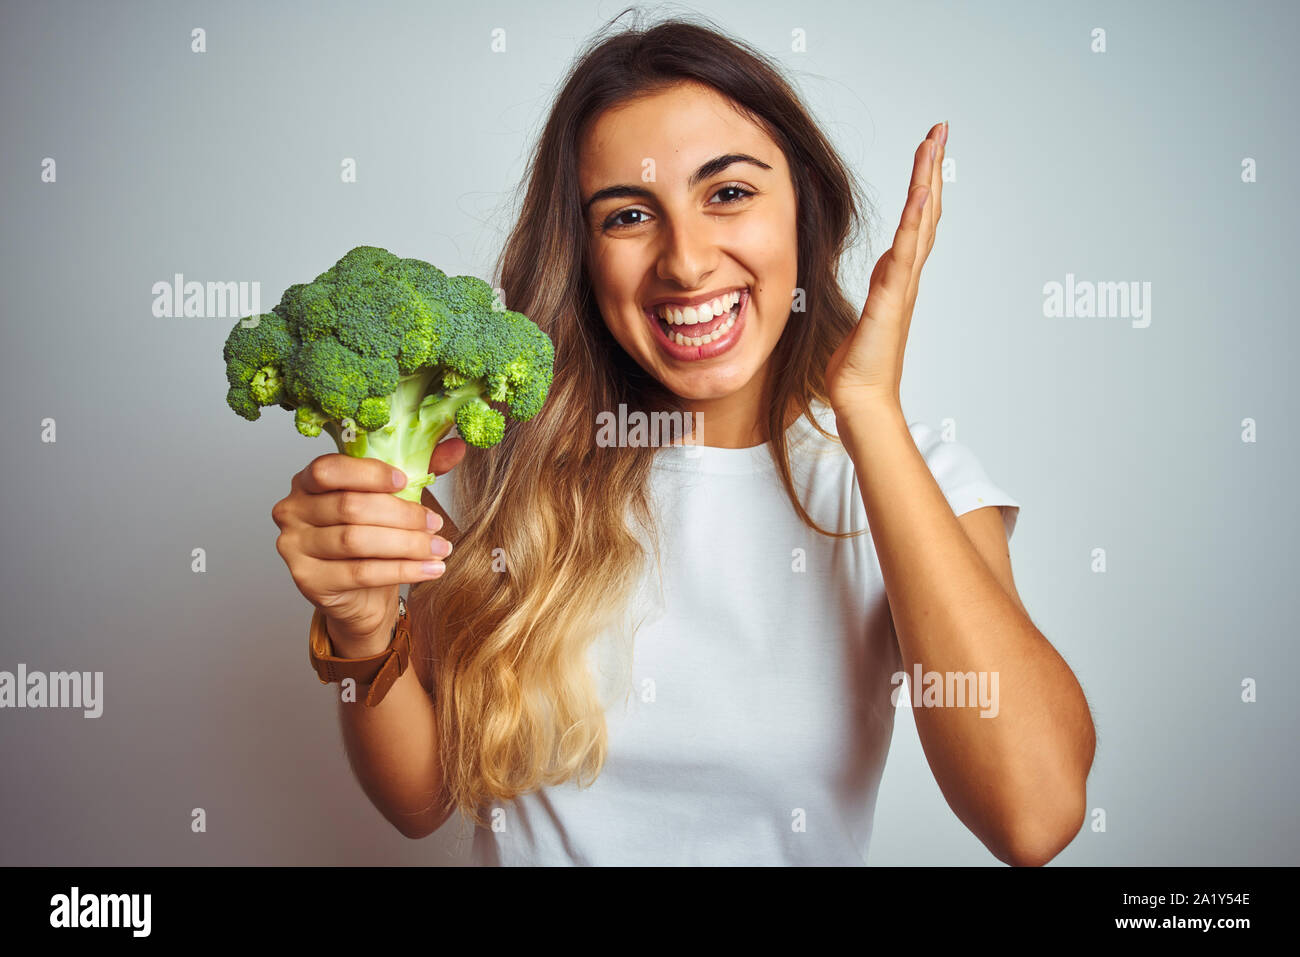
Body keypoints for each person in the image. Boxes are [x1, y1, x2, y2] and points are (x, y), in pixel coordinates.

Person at [271, 13, 1094, 866]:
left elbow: (1032, 815)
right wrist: (363, 630)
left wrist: (869, 411)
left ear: (806, 212)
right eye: (628, 215)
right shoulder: (503, 458)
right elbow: (422, 798)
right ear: (584, 256)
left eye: (728, 193)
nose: (687, 262)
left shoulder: (901, 481)